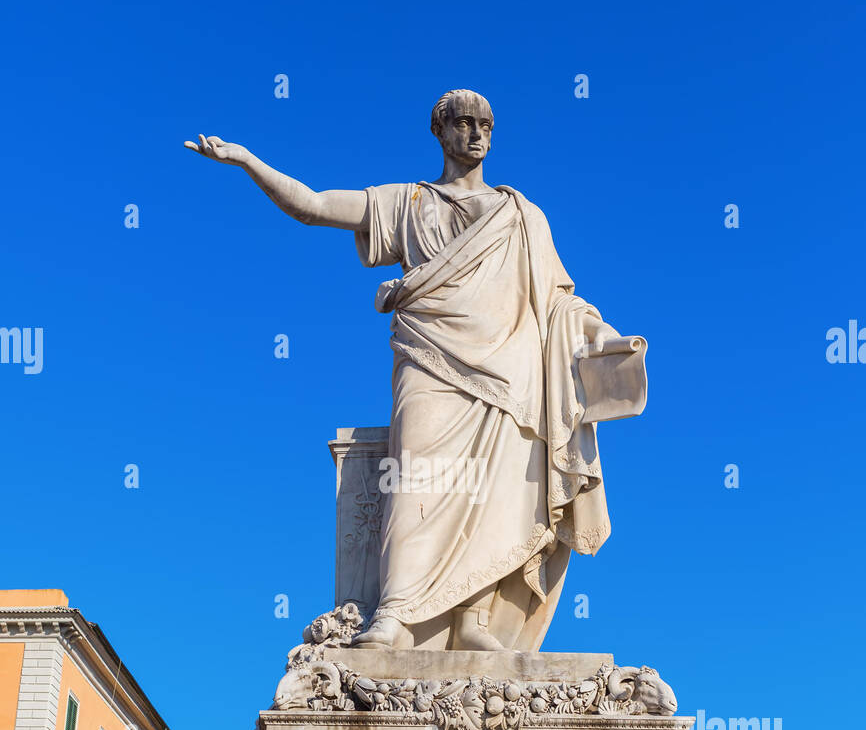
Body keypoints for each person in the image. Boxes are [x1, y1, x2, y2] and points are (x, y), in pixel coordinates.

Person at [185, 90, 629, 652]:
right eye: (463, 123)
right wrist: (248, 161)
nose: (476, 134)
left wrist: (602, 337)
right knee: (416, 478)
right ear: (439, 132)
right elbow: (317, 206)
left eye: (485, 125)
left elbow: (561, 300)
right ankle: (393, 614)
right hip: (430, 357)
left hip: (511, 373)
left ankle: (474, 620)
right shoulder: (407, 202)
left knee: (498, 495)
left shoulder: (523, 217)